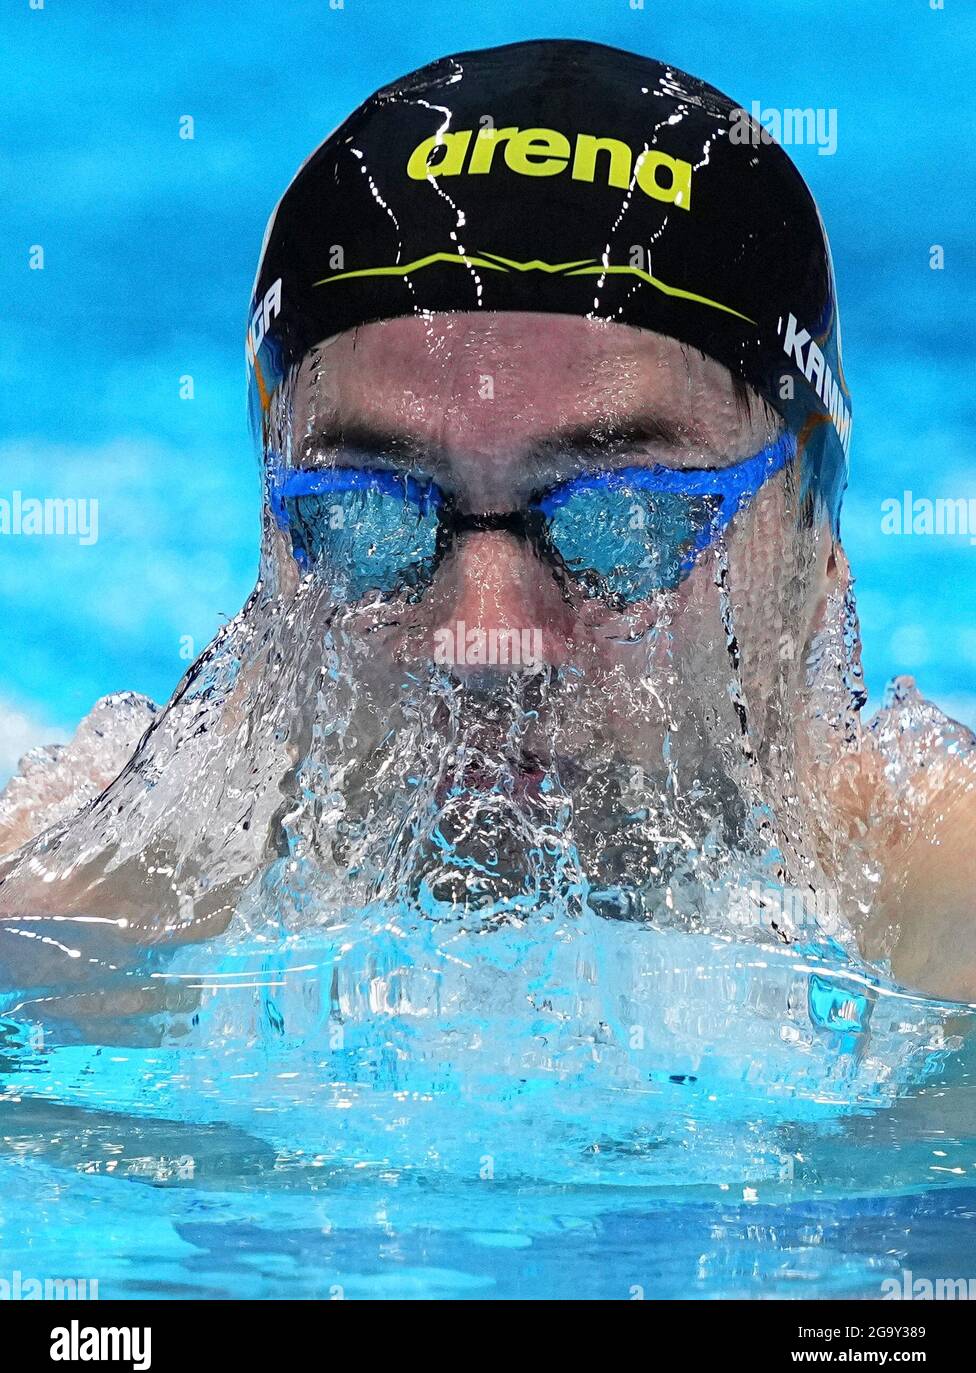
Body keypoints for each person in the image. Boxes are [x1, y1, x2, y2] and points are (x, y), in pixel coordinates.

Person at [1, 39, 973, 1002]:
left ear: (813, 548)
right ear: (275, 558)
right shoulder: (61, 937)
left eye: (624, 519)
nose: (490, 639)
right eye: (370, 517)